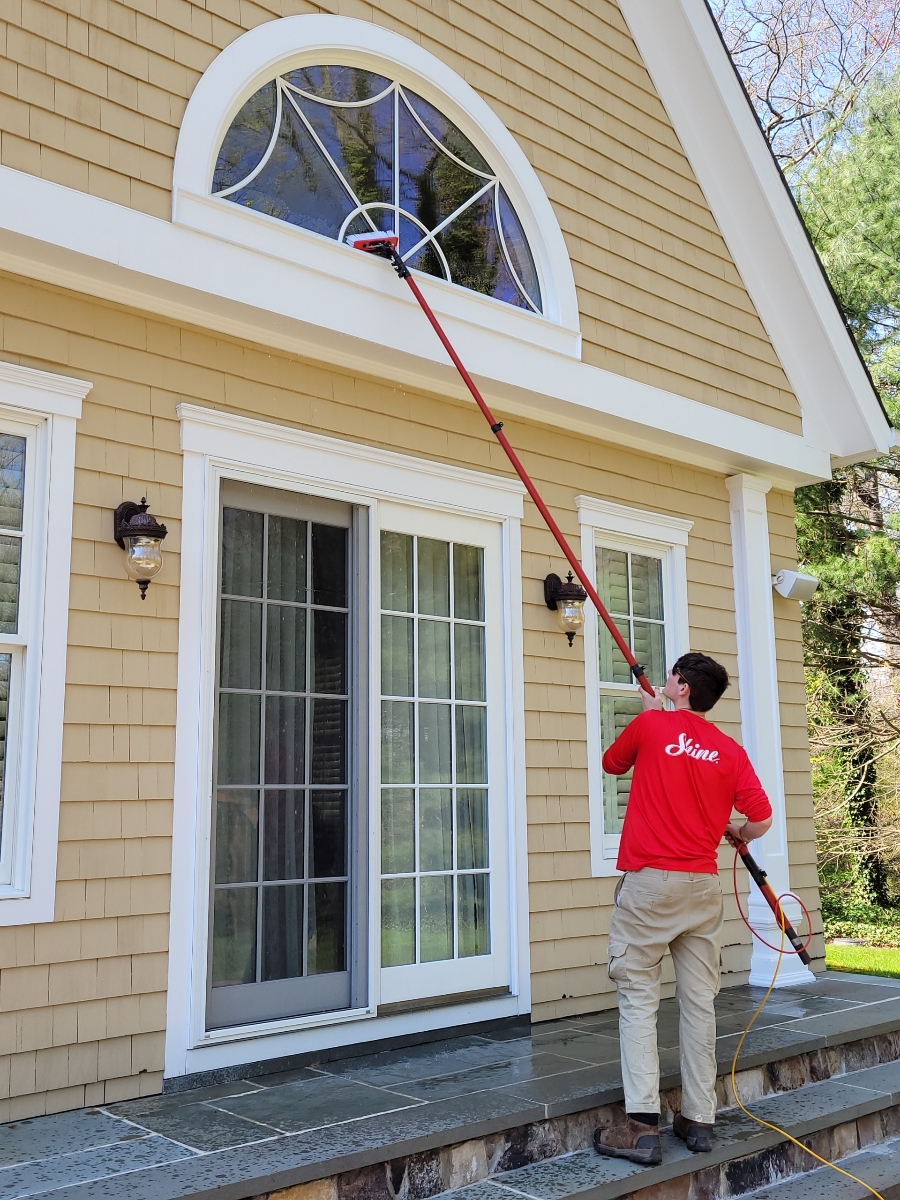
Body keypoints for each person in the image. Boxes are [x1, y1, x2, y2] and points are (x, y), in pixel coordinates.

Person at [593, 652, 773, 1166]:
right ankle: (698, 1119)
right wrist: (737, 832)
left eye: (672, 674)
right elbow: (761, 818)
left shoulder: (651, 725)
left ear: (682, 687)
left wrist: (650, 717)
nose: (666, 679)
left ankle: (641, 1127)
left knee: (638, 996)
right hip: (702, 887)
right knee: (699, 1002)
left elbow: (611, 763)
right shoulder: (729, 750)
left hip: (651, 885)